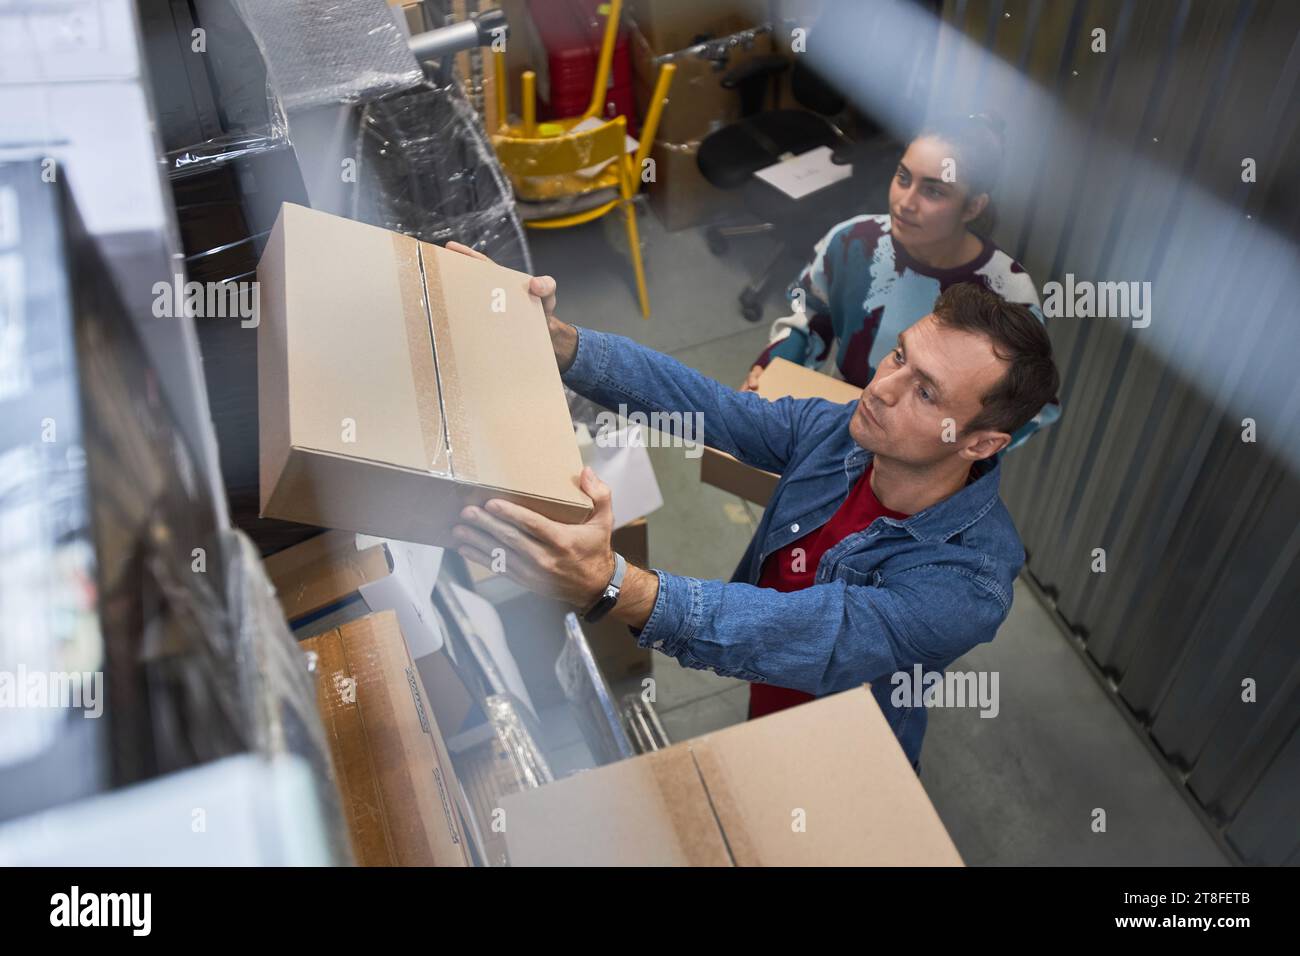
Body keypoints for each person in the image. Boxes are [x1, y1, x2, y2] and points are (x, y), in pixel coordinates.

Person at [445, 242, 1060, 771]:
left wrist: (615, 586)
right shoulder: (844, 432)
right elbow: (713, 407)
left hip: (849, 742)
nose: (881, 387)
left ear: (980, 442)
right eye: (899, 356)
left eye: (926, 392)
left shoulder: (970, 580)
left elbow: (821, 635)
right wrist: (561, 344)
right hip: (768, 680)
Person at [741, 113, 1059, 453]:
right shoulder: (851, 241)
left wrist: (953, 455)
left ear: (973, 207)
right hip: (843, 422)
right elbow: (807, 319)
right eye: (903, 178)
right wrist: (770, 368)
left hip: (923, 463)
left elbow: (1035, 410)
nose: (905, 203)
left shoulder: (1008, 293)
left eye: (933, 191)